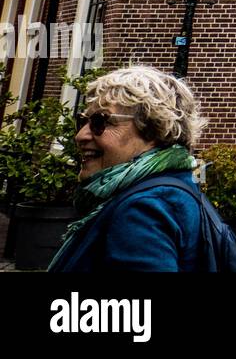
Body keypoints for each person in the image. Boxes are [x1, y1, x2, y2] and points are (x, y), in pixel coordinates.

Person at [48, 65, 208, 272]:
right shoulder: (177, 187)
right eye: (82, 121)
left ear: (152, 129)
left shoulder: (144, 208)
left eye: (99, 122)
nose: (80, 136)